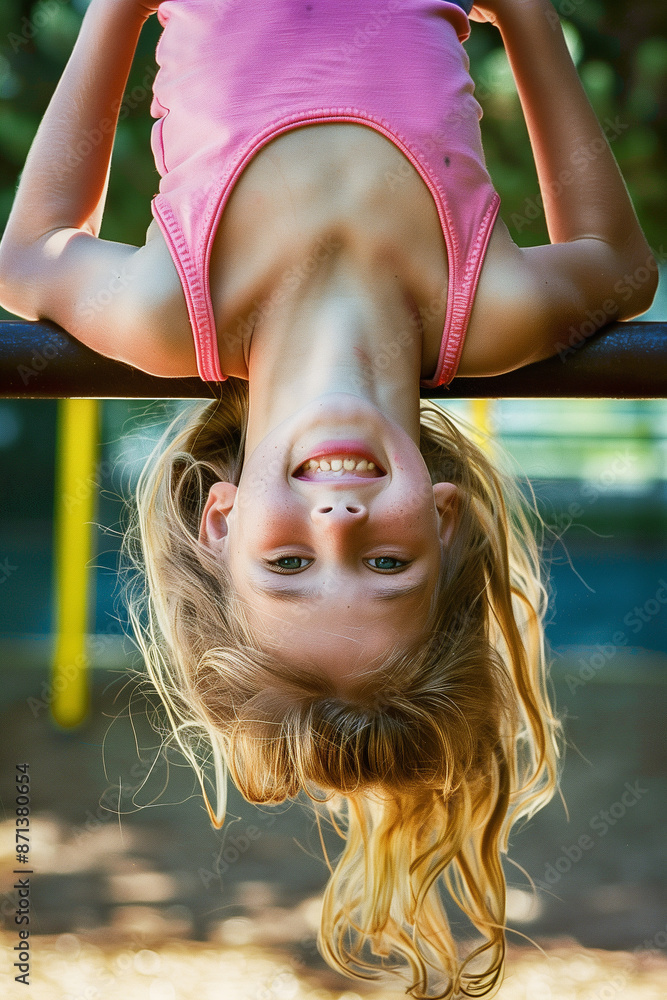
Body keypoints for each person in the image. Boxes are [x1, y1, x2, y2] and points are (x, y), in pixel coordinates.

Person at [0, 0, 656, 995]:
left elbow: (26, 256)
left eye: (291, 565)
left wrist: (118, 14)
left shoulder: (173, 311)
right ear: (445, 520)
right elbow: (620, 267)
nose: (339, 527)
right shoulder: (488, 308)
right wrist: (524, 20)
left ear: (220, 524)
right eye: (386, 566)